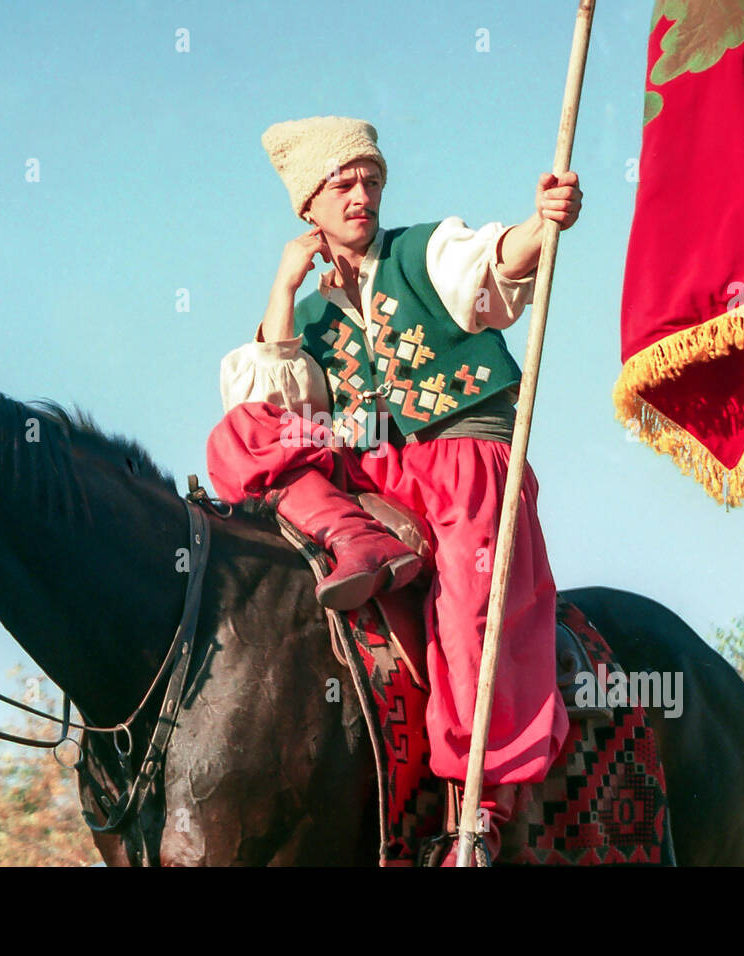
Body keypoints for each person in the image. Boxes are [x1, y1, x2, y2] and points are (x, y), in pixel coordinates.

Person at [206, 116, 582, 863]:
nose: (361, 196)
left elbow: (492, 266)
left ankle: (479, 812)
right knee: (241, 435)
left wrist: (541, 226)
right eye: (341, 185)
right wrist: (283, 288)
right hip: (373, 473)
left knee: (471, 616)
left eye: (370, 181)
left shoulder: (420, 251)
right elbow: (274, 416)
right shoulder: (306, 319)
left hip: (464, 459)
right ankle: (359, 540)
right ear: (308, 205)